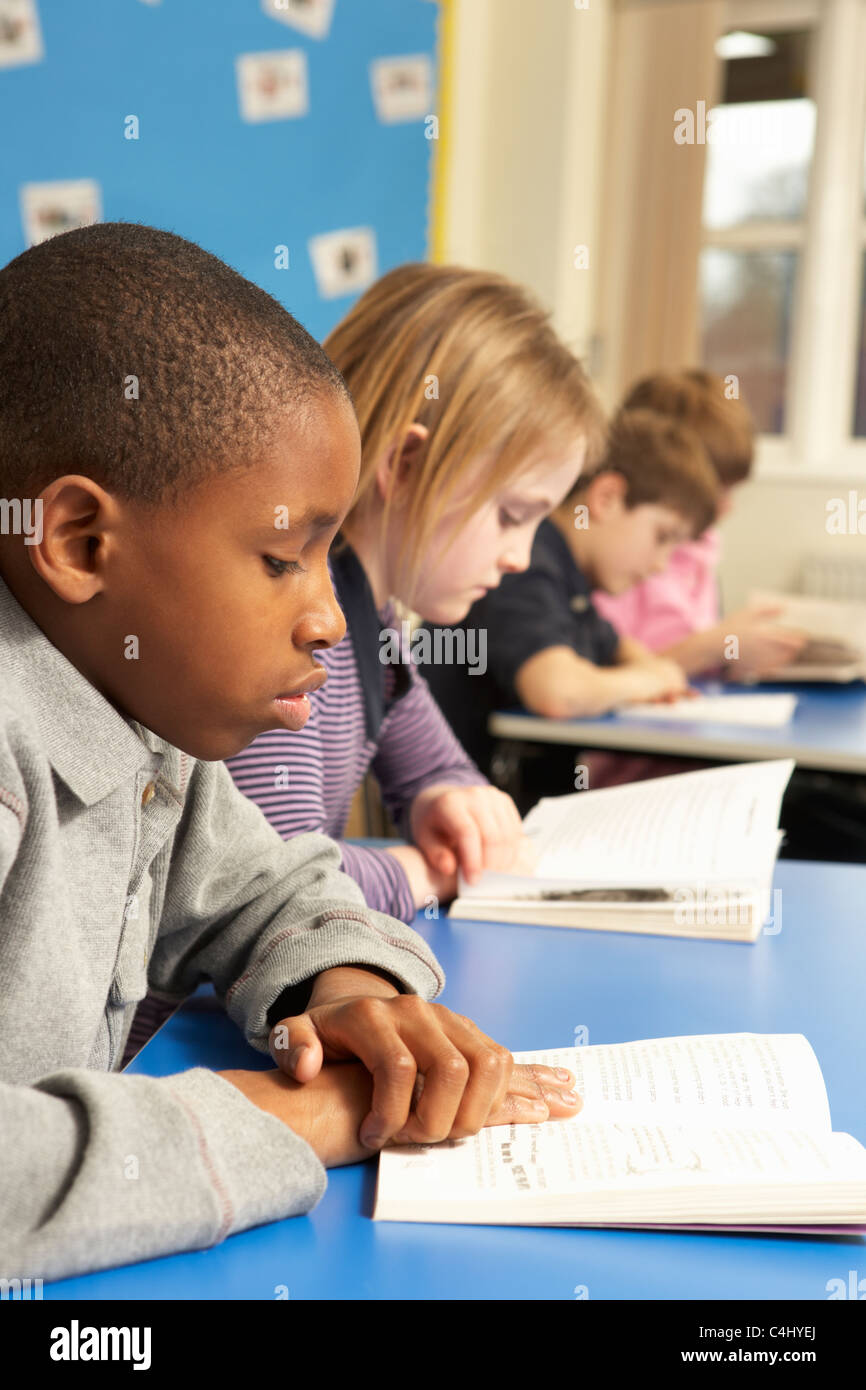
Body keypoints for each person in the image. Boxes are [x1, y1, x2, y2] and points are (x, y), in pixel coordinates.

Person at [0, 224, 580, 1280]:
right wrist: (296, 1112)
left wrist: (354, 993)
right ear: (80, 542)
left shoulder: (143, 716)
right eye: (279, 559)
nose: (326, 618)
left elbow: (269, 885)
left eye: (328, 555)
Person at [227, 263, 606, 921]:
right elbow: (272, 892)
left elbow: (438, 768)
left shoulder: (372, 620)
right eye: (513, 515)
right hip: (172, 1023)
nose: (520, 556)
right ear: (404, 464)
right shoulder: (290, 622)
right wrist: (434, 869)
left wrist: (450, 798)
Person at [423, 409, 719, 805]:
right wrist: (649, 682)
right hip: (461, 803)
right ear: (607, 498)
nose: (661, 564)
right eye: (661, 537)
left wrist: (653, 669)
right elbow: (556, 692)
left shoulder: (570, 576)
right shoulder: (530, 559)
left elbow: (615, 645)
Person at [594, 369, 807, 679]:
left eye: (730, 491)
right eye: (715, 492)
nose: (726, 506)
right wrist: (713, 646)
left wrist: (734, 656)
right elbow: (606, 672)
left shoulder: (701, 548)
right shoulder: (619, 555)